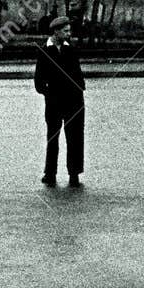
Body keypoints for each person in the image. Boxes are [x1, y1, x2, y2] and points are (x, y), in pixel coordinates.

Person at [33, 14, 86, 189]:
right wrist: (50, 93)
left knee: (75, 137)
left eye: (69, 30)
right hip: (55, 101)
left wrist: (79, 90)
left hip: (74, 101)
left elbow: (77, 74)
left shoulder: (70, 49)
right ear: (56, 31)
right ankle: (50, 173)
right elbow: (38, 81)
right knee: (53, 137)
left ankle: (74, 174)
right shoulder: (44, 51)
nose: (69, 34)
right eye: (66, 31)